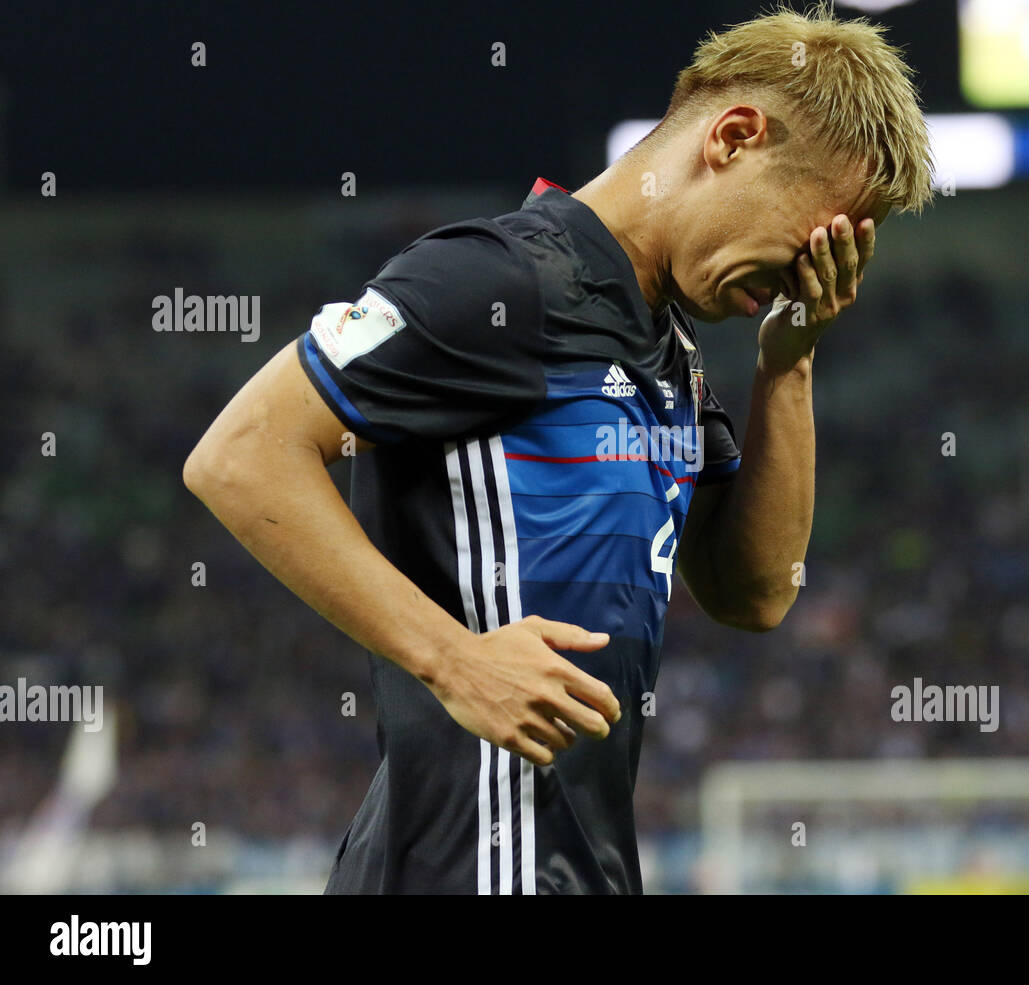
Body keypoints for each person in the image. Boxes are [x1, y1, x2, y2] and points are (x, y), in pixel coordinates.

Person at [183, 2, 932, 894]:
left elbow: (756, 592)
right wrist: (452, 658)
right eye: (819, 229)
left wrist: (791, 358)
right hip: (462, 868)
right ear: (734, 138)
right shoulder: (502, 279)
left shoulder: (667, 346)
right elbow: (239, 454)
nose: (819, 261)